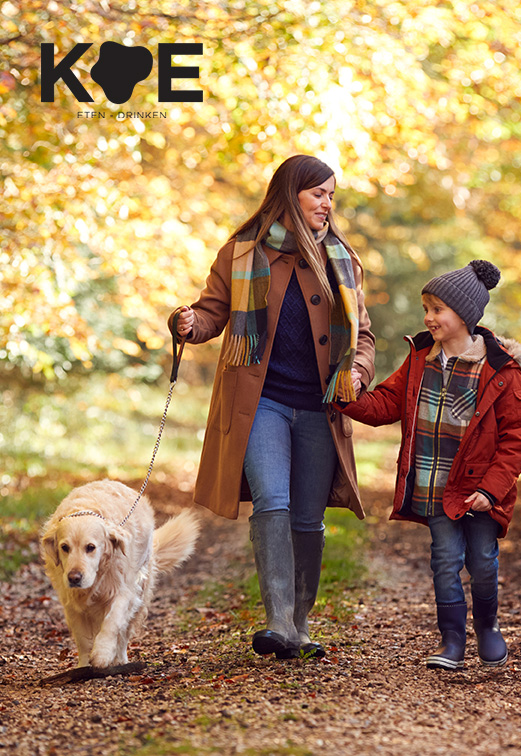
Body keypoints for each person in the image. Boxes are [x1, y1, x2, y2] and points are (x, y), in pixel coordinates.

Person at [170, 154, 375, 659]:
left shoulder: (342, 259)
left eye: (331, 195)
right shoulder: (241, 253)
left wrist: (357, 372)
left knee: (307, 518)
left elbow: (363, 337)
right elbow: (212, 311)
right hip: (261, 402)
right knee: (272, 502)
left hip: (320, 408)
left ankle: (301, 624)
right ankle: (279, 621)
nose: (328, 204)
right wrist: (188, 324)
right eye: (318, 194)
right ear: (290, 194)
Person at [339, 260, 521, 670]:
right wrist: (346, 395)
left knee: (482, 562)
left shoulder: (500, 369)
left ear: (464, 314)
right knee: (444, 560)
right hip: (435, 487)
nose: (428, 317)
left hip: (480, 491)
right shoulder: (419, 360)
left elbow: (519, 435)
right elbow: (385, 404)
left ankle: (487, 627)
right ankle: (451, 641)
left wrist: (491, 489)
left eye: (437, 309)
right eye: (425, 308)